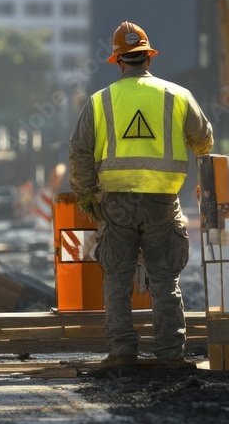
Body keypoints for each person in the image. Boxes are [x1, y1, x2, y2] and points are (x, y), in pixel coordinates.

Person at [69, 21, 213, 374]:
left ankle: (122, 352)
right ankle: (170, 354)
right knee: (165, 280)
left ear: (118, 61)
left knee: (117, 278)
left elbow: (79, 152)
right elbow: (204, 142)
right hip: (162, 202)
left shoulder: (100, 101)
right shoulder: (177, 96)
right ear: (148, 58)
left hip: (114, 203)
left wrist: (88, 196)